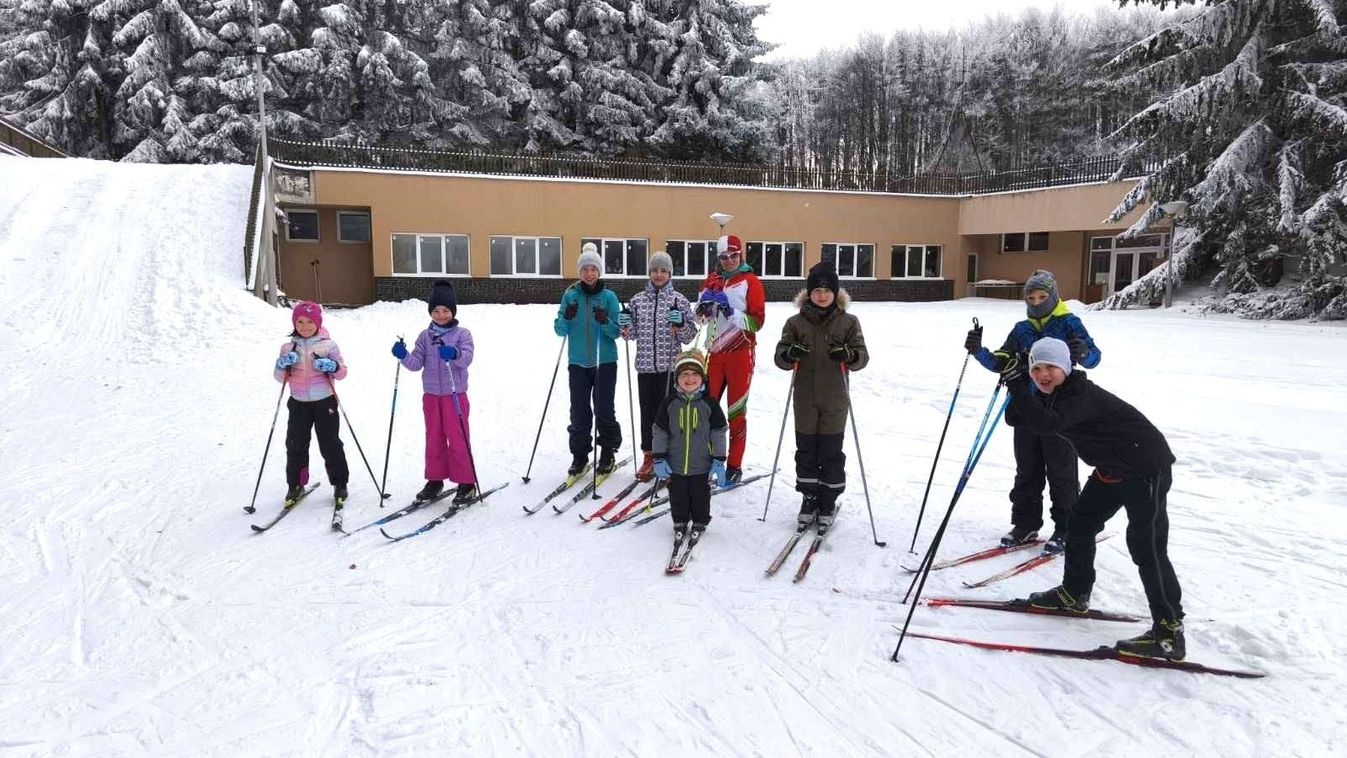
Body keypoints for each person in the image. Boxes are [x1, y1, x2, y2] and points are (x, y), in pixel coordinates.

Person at [1001, 337, 1186, 661]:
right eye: (1037, 369)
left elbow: (1047, 424)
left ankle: (1169, 631)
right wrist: (1013, 381)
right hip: (1113, 466)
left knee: (1147, 546)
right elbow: (1017, 418)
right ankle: (1075, 592)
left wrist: (1019, 384)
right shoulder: (1052, 394)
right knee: (1080, 523)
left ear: (1067, 367)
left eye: (1051, 368)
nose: (1043, 375)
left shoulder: (1078, 394)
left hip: (1145, 466)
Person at [965, 269, 1101, 552]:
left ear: (1053, 296)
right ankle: (1025, 524)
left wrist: (1082, 352)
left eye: (1042, 296)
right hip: (1026, 407)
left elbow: (1094, 357)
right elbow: (1003, 361)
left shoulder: (1069, 323)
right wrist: (979, 351)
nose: (1036, 302)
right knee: (1027, 470)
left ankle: (1066, 528)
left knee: (1062, 472)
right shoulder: (1021, 329)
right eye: (1031, 297)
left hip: (1060, 409)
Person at [773, 262, 868, 531]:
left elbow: (862, 357)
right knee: (806, 451)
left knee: (830, 451)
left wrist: (849, 355)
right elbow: (780, 356)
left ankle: (828, 500)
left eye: (827, 290)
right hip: (804, 398)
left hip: (835, 399)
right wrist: (790, 354)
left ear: (835, 293)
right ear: (809, 293)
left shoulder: (849, 322)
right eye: (817, 290)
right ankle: (809, 497)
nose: (822, 295)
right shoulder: (795, 322)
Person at [392, 280, 478, 504]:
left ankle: (466, 483)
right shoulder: (424, 337)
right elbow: (415, 363)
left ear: (453, 311)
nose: (441, 315)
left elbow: (466, 358)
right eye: (436, 311)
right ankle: (435, 479)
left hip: (454, 395)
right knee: (434, 438)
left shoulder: (462, 334)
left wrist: (455, 353)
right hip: (431, 396)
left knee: (458, 438)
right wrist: (403, 355)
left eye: (446, 310)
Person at [618, 251, 697, 482]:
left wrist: (680, 322)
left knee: (669, 415)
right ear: (649, 273)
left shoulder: (679, 300)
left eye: (663, 270)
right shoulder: (638, 300)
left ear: (670, 273)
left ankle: (670, 455)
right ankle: (650, 455)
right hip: (645, 367)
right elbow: (630, 334)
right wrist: (625, 324)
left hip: (670, 369)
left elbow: (689, 335)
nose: (659, 274)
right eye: (655, 270)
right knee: (648, 414)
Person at [695, 234, 766, 484]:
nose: (729, 261)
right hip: (714, 354)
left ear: (741, 255)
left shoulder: (750, 282)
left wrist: (731, 311)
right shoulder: (712, 280)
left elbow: (757, 322)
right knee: (706, 410)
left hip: (740, 355)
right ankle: (707, 460)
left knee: (736, 412)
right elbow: (700, 318)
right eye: (724, 257)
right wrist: (702, 310)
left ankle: (734, 465)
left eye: (733, 256)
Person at [554, 242, 623, 476]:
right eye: (585, 269)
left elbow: (617, 332)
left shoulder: (609, 297)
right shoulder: (570, 295)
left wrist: (605, 321)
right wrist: (568, 317)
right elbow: (559, 329)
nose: (589, 273)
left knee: (604, 409)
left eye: (593, 269)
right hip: (578, 362)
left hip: (604, 361)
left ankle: (607, 453)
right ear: (579, 272)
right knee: (579, 411)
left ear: (599, 271)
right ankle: (580, 456)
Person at [273, 301, 349, 506]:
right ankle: (295, 484)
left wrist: (331, 365)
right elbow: (280, 378)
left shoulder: (328, 345)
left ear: (317, 322)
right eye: (300, 321)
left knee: (330, 443)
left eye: (309, 322)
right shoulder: (288, 347)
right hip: (298, 402)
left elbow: (342, 372)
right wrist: (281, 365)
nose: (305, 326)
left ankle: (339, 483)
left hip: (325, 401)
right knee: (295, 444)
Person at [651, 351, 729, 541]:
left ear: (702, 378)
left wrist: (719, 459)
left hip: (701, 464)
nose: (690, 378)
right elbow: (659, 430)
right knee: (678, 495)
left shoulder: (710, 404)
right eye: (684, 374)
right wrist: (659, 457)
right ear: (677, 379)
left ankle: (700, 521)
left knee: (700, 495)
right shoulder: (670, 403)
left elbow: (718, 432)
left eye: (695, 374)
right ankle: (680, 520)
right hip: (675, 463)